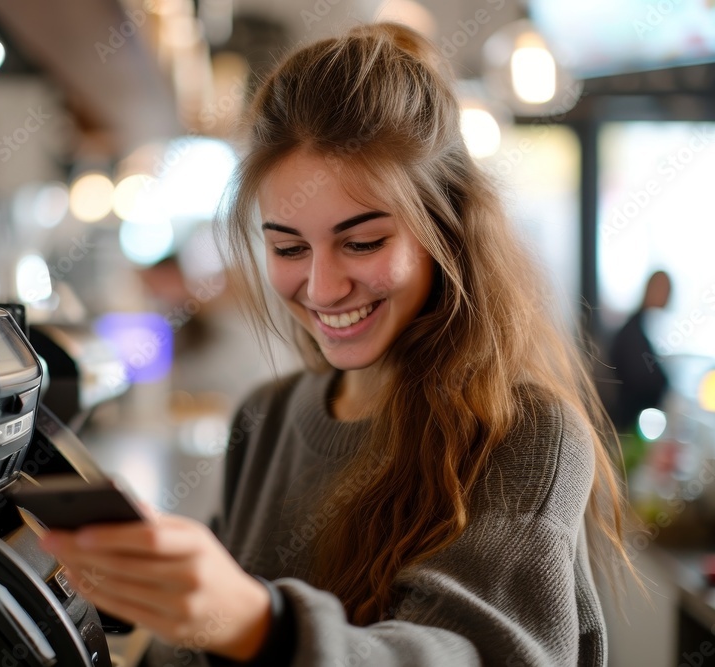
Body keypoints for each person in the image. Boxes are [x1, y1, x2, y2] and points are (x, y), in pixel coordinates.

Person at [41, 22, 635, 666]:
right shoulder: (268, 415)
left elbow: (477, 655)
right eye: (289, 247)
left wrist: (258, 623)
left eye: (362, 242)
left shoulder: (523, 432)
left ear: (447, 231)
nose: (322, 288)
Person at [608, 271, 672, 433]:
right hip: (631, 427)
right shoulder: (632, 333)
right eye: (664, 290)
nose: (667, 296)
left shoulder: (643, 327)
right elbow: (640, 381)